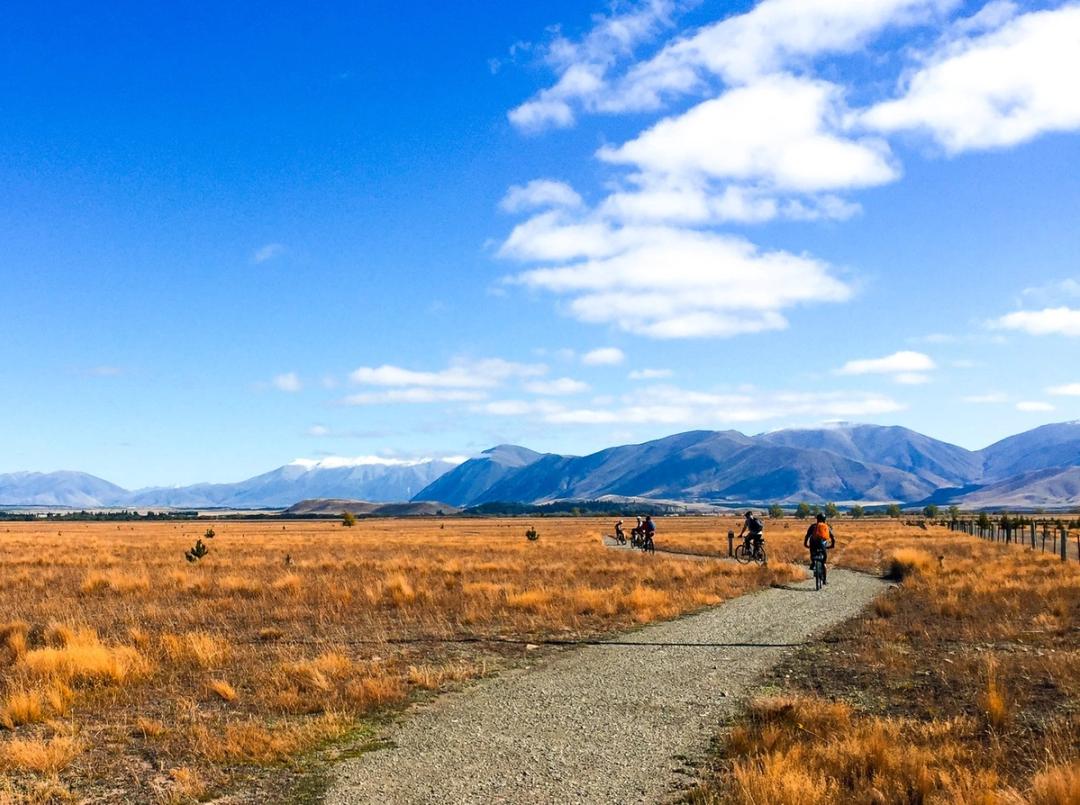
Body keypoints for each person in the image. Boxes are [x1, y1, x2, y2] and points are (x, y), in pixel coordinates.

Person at [804, 513, 836, 585]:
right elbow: (833, 537)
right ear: (824, 519)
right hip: (822, 545)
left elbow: (807, 536)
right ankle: (824, 581)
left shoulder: (813, 526)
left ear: (817, 519)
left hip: (813, 544)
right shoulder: (827, 526)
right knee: (824, 563)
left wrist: (805, 544)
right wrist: (832, 545)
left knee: (812, 554)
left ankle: (813, 563)